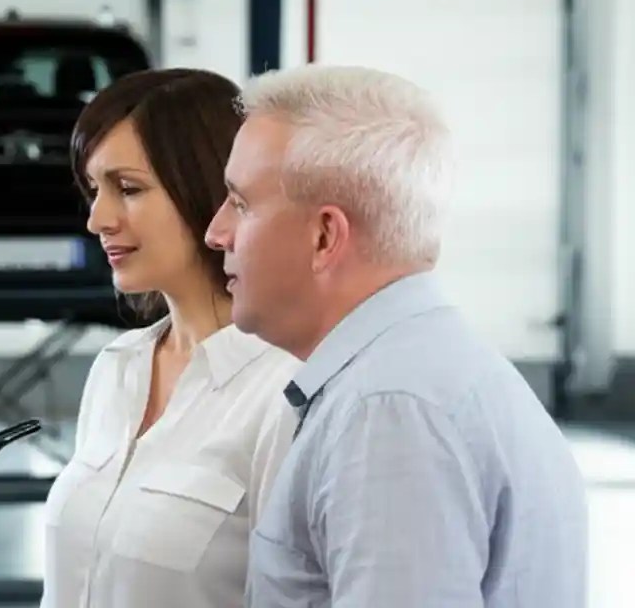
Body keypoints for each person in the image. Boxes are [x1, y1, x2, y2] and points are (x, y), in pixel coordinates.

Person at [204, 64, 589, 607]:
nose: (216, 232)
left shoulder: (387, 412)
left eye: (240, 203)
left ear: (324, 236)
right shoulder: (423, 377)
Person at [41, 68, 303, 608]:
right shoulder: (117, 368)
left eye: (128, 189)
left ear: (209, 189)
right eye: (94, 191)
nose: (98, 219)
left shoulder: (286, 392)